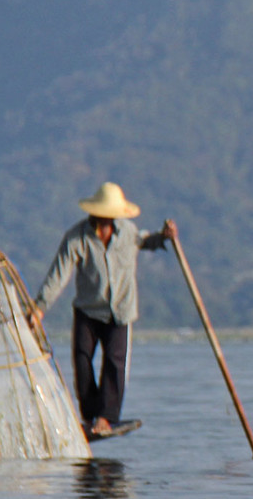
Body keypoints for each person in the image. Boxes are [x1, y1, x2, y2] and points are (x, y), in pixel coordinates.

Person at [30, 181, 177, 437]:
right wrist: (39, 308)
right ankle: (90, 414)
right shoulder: (77, 238)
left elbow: (145, 240)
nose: (106, 220)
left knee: (114, 363)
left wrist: (164, 237)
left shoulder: (127, 232)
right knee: (82, 359)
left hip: (120, 311)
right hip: (88, 310)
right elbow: (59, 274)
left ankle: (106, 418)